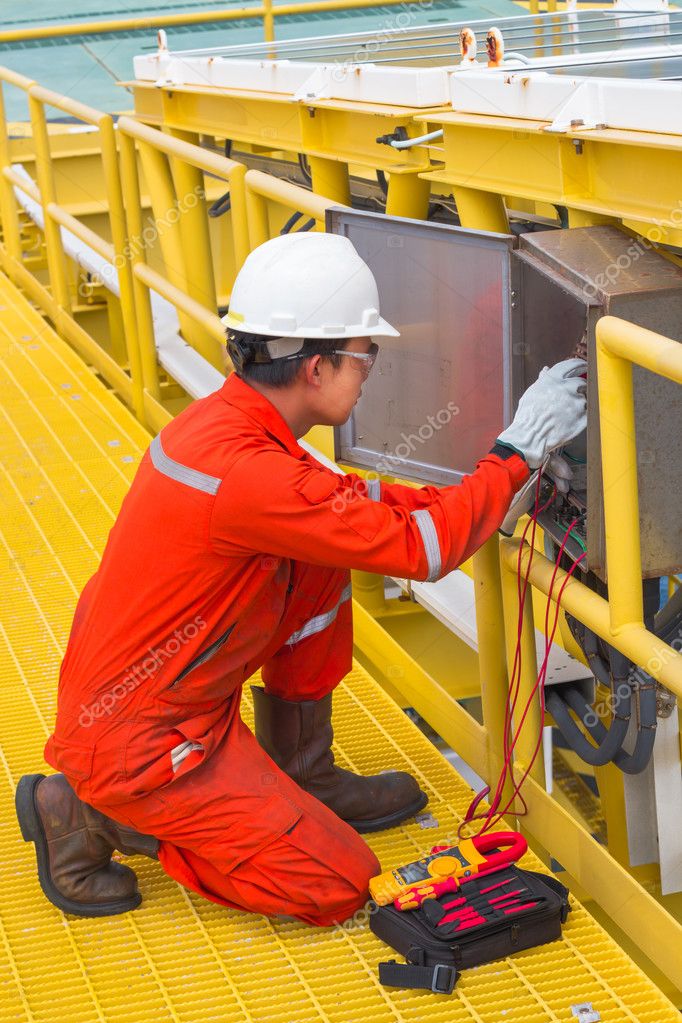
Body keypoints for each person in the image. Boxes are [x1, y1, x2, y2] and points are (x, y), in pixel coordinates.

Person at [15, 232, 587, 926]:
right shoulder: (252, 473)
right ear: (316, 367)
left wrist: (495, 490)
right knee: (338, 883)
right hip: (146, 746)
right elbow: (422, 549)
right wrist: (517, 448)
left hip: (167, 701)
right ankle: (88, 814)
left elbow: (360, 509)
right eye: (365, 355)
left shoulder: (234, 429)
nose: (369, 370)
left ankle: (301, 769)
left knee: (319, 555)